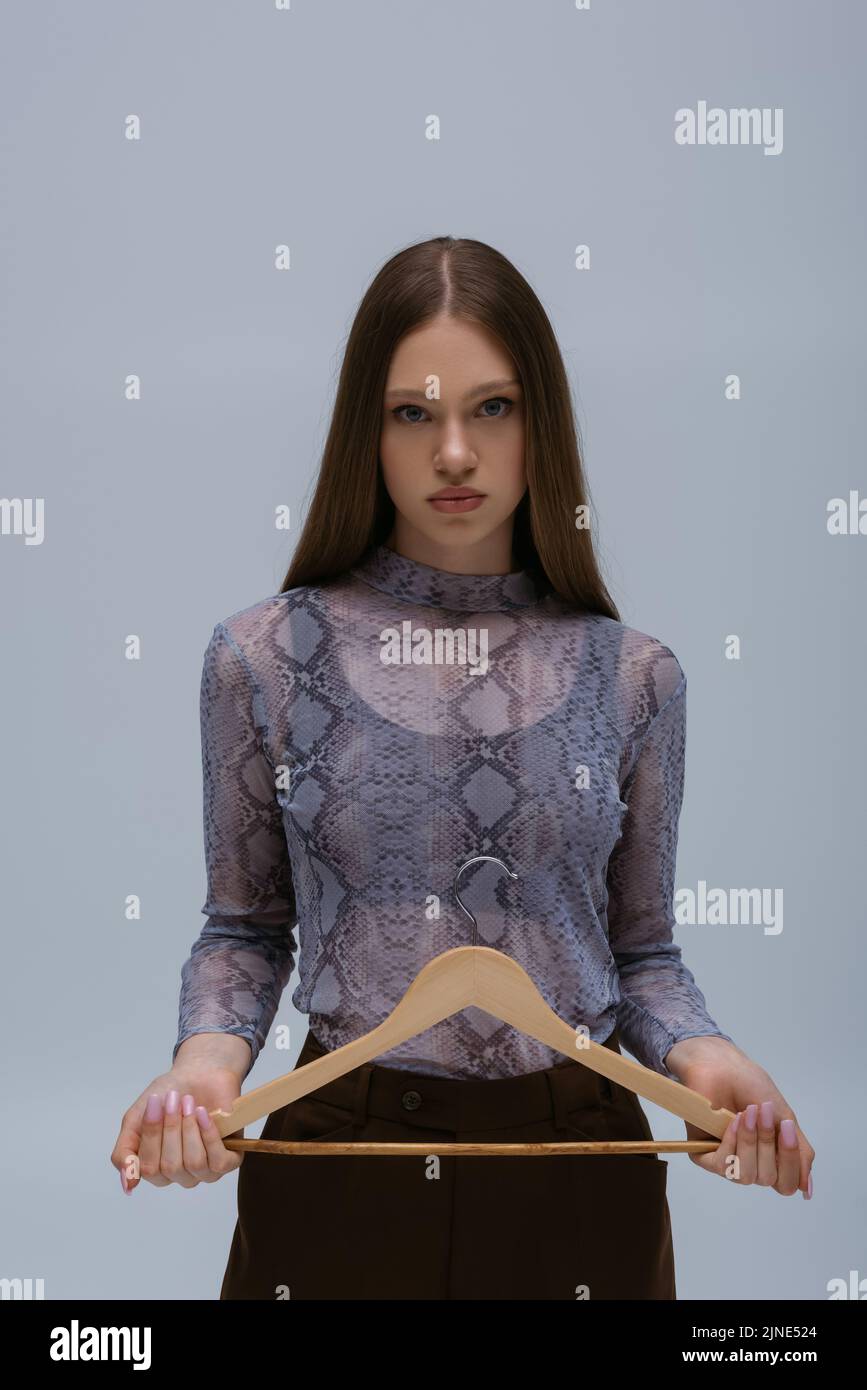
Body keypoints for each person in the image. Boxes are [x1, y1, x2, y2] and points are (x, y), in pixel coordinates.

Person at [111, 236, 815, 1300]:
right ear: (368, 430)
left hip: (581, 1166)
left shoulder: (634, 678)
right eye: (412, 413)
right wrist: (203, 1074)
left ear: (543, 426)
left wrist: (708, 1063)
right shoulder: (260, 659)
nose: (454, 452)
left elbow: (643, 953)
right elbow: (245, 929)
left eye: (493, 408)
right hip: (337, 1166)